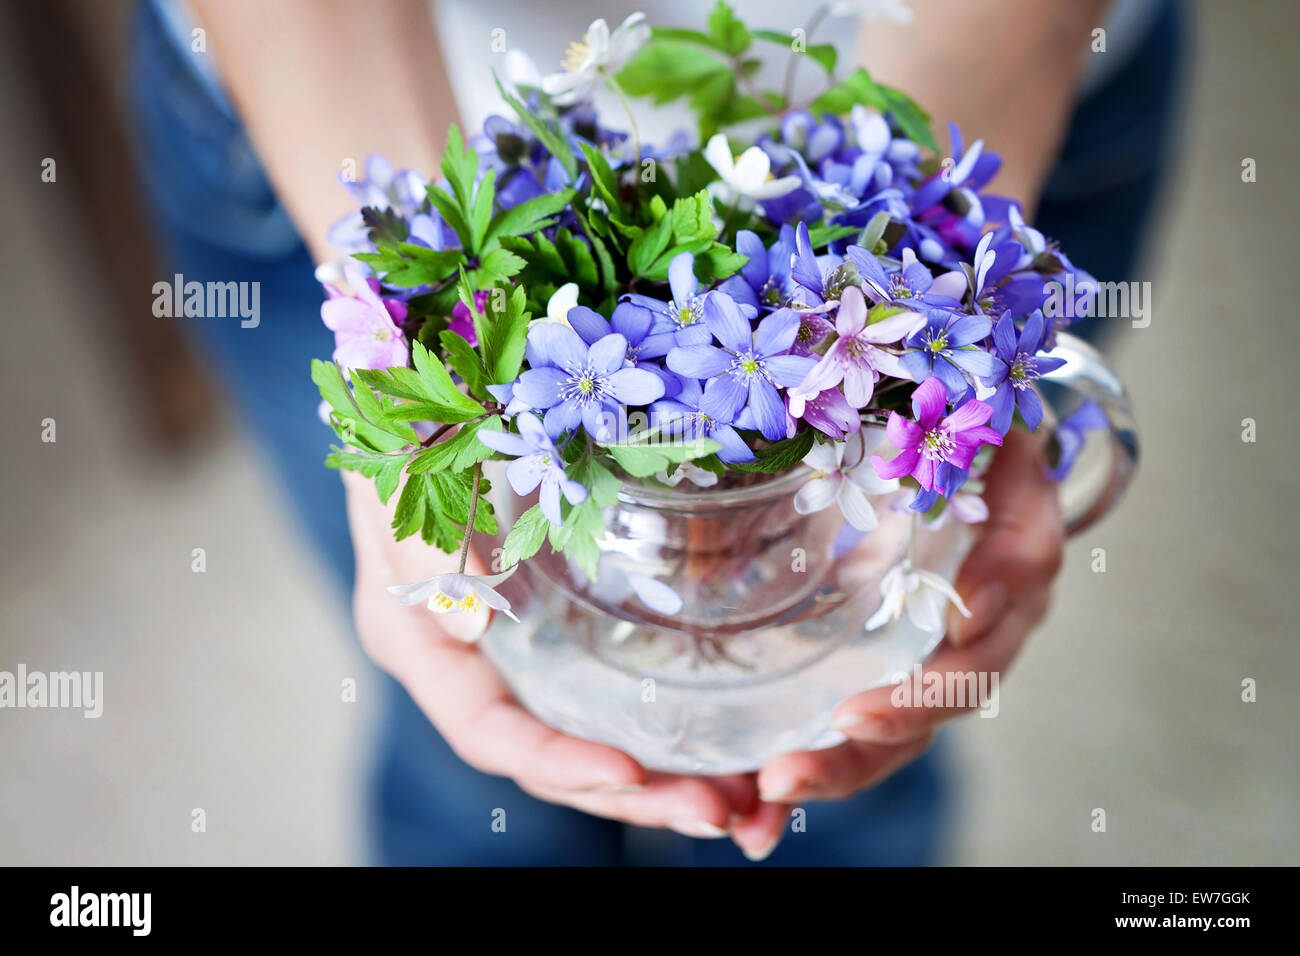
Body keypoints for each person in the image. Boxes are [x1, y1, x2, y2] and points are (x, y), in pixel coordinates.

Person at [126, 0, 1184, 864]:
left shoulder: (892, 339)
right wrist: (423, 331)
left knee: (852, 746)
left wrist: (932, 299)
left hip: (999, 70)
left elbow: (924, 441)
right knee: (464, 696)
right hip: (328, 103)